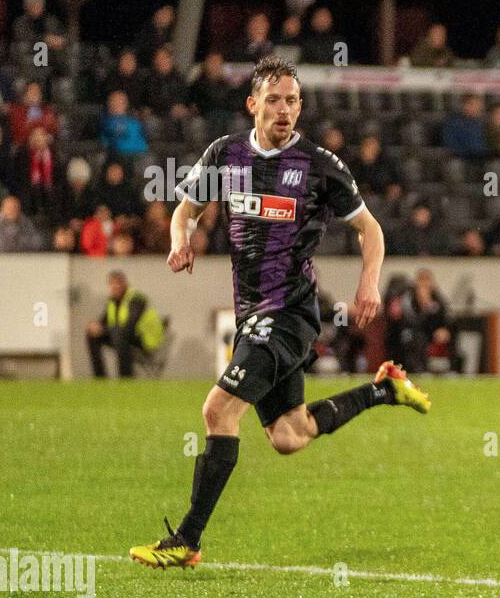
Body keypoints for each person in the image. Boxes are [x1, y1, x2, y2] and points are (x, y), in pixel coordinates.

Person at [128, 56, 431, 571]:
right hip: (253, 315)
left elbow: (370, 229)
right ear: (253, 105)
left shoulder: (320, 165)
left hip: (289, 314)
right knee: (289, 436)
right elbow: (185, 210)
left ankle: (187, 540)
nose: (285, 109)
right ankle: (385, 388)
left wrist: (368, 281)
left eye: (292, 100)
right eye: (274, 99)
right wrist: (181, 241)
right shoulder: (226, 154)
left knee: (217, 411)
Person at [85, 270, 165, 377]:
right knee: (92, 335)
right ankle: (100, 378)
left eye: (118, 283)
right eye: (112, 284)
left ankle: (125, 379)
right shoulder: (113, 302)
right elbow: (104, 321)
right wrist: (95, 327)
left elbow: (129, 325)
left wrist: (104, 329)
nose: (115, 287)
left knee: (119, 333)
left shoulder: (136, 299)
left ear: (124, 284)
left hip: (145, 339)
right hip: (125, 338)